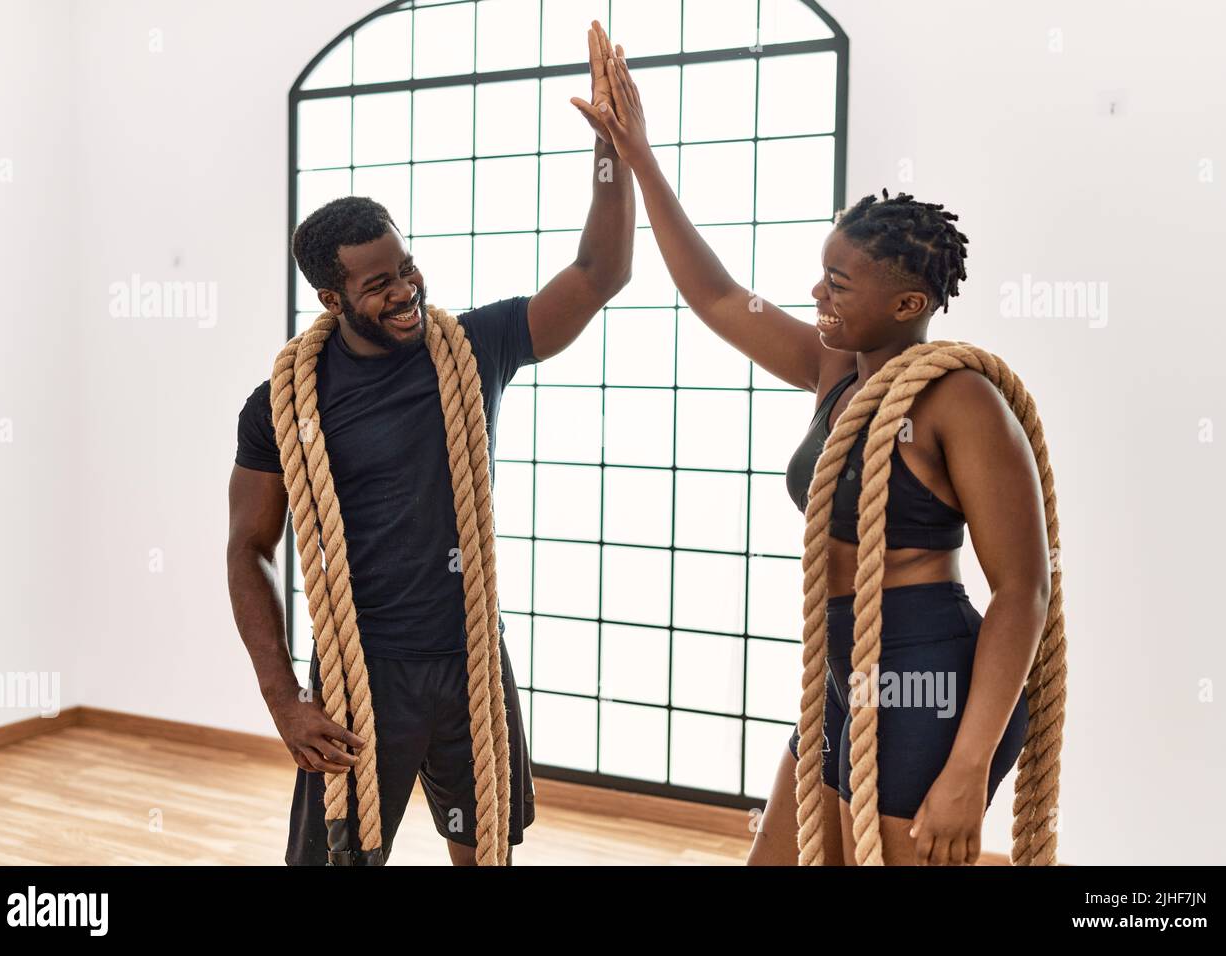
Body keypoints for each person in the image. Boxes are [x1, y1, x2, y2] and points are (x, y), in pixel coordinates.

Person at [582, 33, 1049, 866]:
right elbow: (722, 296)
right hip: (841, 666)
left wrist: (967, 771)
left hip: (926, 679)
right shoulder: (837, 368)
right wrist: (638, 157)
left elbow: (1021, 590)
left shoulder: (960, 401)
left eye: (839, 284)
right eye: (821, 273)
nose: (816, 294)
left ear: (908, 300)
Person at [226, 25, 634, 865]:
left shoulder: (471, 347)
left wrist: (610, 153)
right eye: (378, 284)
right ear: (332, 297)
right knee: (340, 860)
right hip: (357, 673)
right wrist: (283, 698)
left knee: (484, 850)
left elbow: (599, 274)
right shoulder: (284, 403)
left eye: (406, 267)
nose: (407, 290)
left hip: (472, 658)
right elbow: (247, 548)